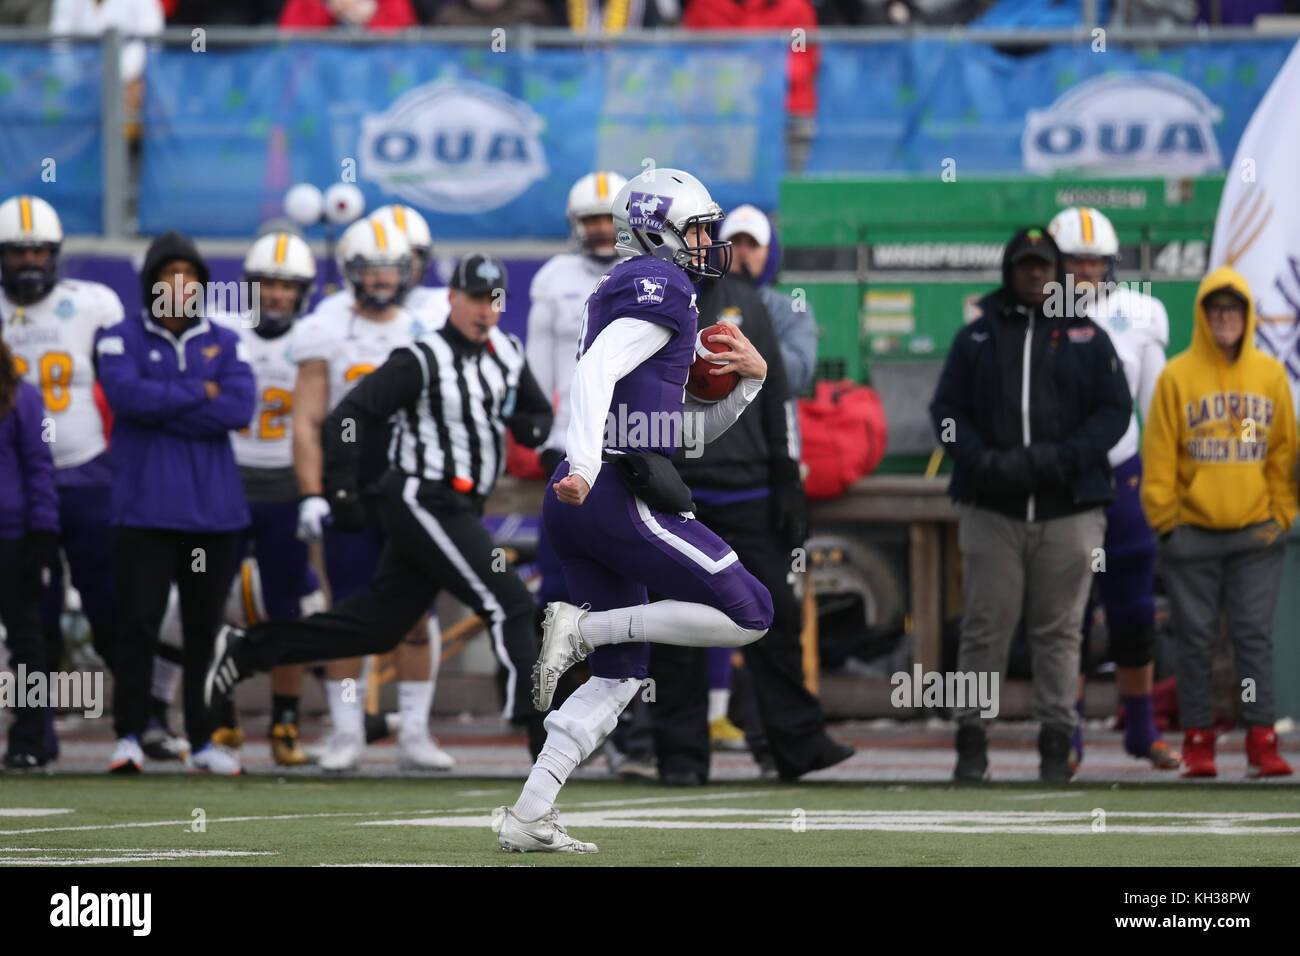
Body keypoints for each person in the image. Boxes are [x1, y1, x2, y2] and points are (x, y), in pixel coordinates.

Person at [490, 167, 779, 853]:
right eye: (699, 227)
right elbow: (590, 375)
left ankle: (531, 811)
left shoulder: (644, 290)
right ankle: (584, 632)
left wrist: (747, 386)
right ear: (658, 230)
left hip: (599, 489)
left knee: (623, 679)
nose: (711, 241)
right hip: (612, 490)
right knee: (753, 613)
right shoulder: (665, 285)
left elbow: (684, 433)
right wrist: (587, 465)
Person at [204, 253, 553, 761]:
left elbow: (536, 411)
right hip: (423, 496)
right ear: (452, 298)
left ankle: (246, 650)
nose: (486, 310)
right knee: (511, 602)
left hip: (461, 504)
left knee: (377, 625)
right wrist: (340, 491)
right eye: (476, 299)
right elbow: (349, 415)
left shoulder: (508, 351)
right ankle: (541, 734)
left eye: (495, 300)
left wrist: (530, 429)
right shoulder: (421, 357)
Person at [929, 225, 1131, 783]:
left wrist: (1060, 460)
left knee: (1061, 632)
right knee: (985, 627)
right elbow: (946, 413)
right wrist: (983, 463)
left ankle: (1054, 747)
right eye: (1026, 265)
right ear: (1009, 270)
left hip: (1068, 507)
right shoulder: (977, 336)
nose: (1036, 274)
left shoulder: (1087, 334)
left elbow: (1115, 413)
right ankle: (971, 744)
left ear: (1058, 271)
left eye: (1045, 265)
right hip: (992, 509)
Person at [653, 248, 852, 784]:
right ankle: (680, 756)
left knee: (775, 617)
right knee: (675, 628)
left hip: (749, 491)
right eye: (691, 231)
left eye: (704, 231)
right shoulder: (650, 299)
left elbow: (777, 392)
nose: (702, 245)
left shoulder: (748, 300)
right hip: (679, 491)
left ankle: (796, 743)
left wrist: (788, 474)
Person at [288, 216, 452, 771]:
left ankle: (415, 733)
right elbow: (308, 421)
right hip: (350, 490)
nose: (382, 281)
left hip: (408, 488)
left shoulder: (424, 327)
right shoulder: (326, 327)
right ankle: (346, 732)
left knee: (415, 613)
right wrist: (313, 491)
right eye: (372, 271)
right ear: (350, 273)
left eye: (392, 270)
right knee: (350, 612)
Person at [96, 231, 255, 775]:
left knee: (202, 630)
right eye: (169, 273)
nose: (179, 284)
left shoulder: (226, 341)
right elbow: (126, 398)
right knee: (137, 624)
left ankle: (204, 739)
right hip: (142, 512)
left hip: (212, 516)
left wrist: (169, 402)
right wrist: (199, 393)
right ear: (151, 284)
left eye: (189, 274)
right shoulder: (119, 337)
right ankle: (129, 736)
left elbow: (238, 407)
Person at [0, 195, 142, 761]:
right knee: (34, 622)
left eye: (38, 250)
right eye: (17, 251)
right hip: (16, 489)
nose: (30, 261)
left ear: (55, 254)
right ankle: (37, 734)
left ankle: (138, 722)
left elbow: (125, 390)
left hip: (86, 476)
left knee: (111, 608)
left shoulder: (93, 304)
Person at [1140, 266, 1297, 778]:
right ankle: (1200, 741)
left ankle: (1261, 740)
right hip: (1193, 535)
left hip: (1256, 533)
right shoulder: (1177, 376)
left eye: (1234, 309)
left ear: (1247, 315)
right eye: (1216, 309)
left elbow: (1281, 452)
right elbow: (1159, 455)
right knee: (1195, 640)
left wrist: (1280, 514)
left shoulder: (1269, 375)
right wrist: (1167, 522)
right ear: (1203, 315)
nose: (1225, 318)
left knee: (1254, 637)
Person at [1047, 205, 1179, 772]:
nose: (1085, 271)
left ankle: (1141, 728)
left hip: (1123, 474)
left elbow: (1158, 410)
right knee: (1066, 612)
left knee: (1131, 608)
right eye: (1074, 261)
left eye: (1094, 262)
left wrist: (1158, 485)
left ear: (1111, 265)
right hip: (1061, 479)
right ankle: (1066, 733)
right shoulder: (1030, 315)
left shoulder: (1139, 313)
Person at [208, 229, 319, 766]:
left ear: (303, 291)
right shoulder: (224, 331)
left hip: (287, 484)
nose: (276, 295)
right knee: (209, 604)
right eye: (267, 285)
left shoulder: (316, 336)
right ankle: (219, 719)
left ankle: (285, 719)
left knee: (287, 609)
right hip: (226, 479)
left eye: (286, 286)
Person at [0, 338, 60, 770]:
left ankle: (30, 738)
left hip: (12, 534)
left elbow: (39, 463)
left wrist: (43, 532)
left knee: (26, 640)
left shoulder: (24, 396)